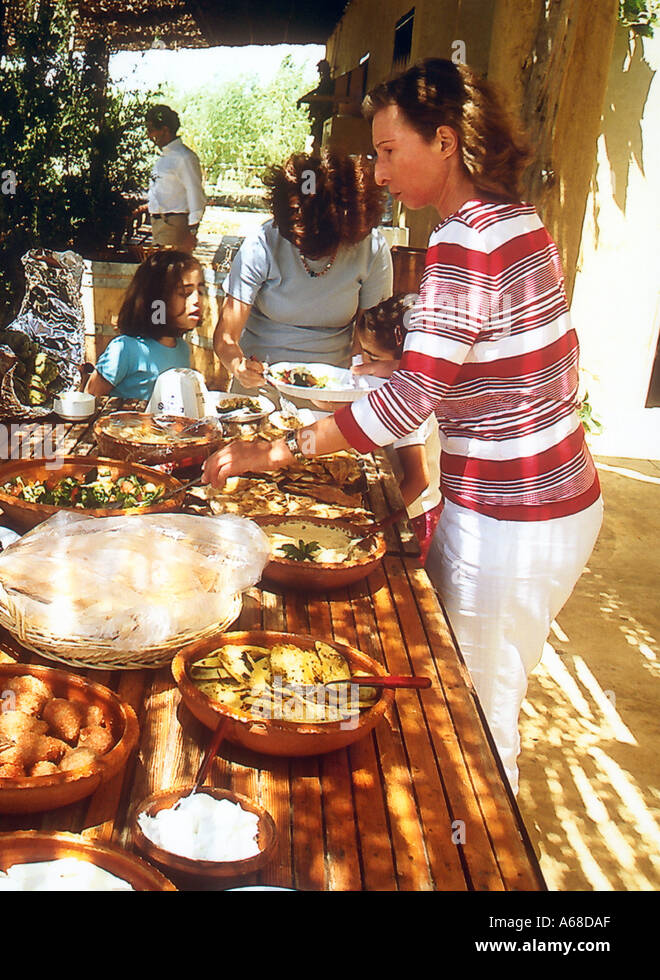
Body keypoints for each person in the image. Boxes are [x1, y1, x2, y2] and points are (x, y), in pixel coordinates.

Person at [203, 58, 603, 790]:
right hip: (558, 500)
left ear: (444, 142)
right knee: (482, 696)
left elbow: (408, 400)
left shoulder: (463, 241)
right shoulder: (515, 221)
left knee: (475, 722)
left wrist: (276, 449)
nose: (380, 174)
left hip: (512, 513)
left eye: (389, 151)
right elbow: (519, 368)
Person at [215, 150, 392, 390]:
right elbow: (225, 337)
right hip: (261, 384)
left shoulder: (372, 248)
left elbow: (369, 341)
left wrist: (352, 389)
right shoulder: (263, 243)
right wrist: (238, 366)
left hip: (334, 388)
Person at [354, 294, 442, 554]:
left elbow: (418, 479)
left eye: (371, 357)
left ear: (402, 361)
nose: (362, 364)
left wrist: (379, 523)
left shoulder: (407, 399)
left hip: (412, 515)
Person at [86, 250, 203, 401]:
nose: (196, 300)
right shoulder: (124, 349)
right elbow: (89, 398)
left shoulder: (182, 349)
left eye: (200, 291)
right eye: (185, 292)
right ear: (158, 300)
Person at [140, 105, 206, 254]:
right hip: (160, 225)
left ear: (165, 129)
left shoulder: (184, 157)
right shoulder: (165, 157)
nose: (149, 136)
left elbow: (195, 194)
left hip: (175, 226)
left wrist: (192, 231)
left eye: (151, 130)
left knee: (171, 273)